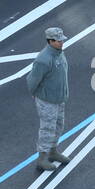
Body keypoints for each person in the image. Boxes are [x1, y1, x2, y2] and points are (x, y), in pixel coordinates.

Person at [27, 27, 70, 172]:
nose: (61, 43)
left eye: (61, 40)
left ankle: (53, 151)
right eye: (58, 41)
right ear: (50, 41)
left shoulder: (59, 54)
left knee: (58, 125)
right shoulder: (43, 60)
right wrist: (34, 93)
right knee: (47, 128)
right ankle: (42, 158)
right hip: (47, 100)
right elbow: (32, 80)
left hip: (58, 98)